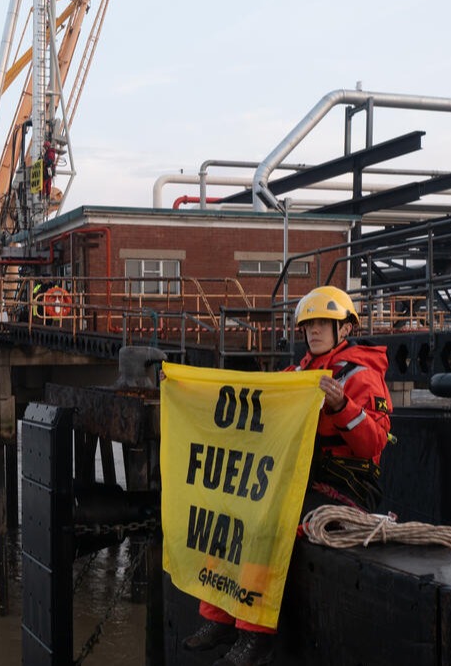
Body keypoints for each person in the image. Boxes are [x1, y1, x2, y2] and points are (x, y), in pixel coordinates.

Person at [182, 285, 393, 666]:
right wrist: (189, 392)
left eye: (322, 324)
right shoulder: (296, 372)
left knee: (267, 525)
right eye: (308, 325)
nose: (313, 332)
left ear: (343, 329)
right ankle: (218, 617)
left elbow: (372, 442)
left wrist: (342, 406)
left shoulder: (361, 376)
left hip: (346, 485)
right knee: (230, 512)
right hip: (299, 478)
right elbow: (256, 405)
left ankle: (255, 637)